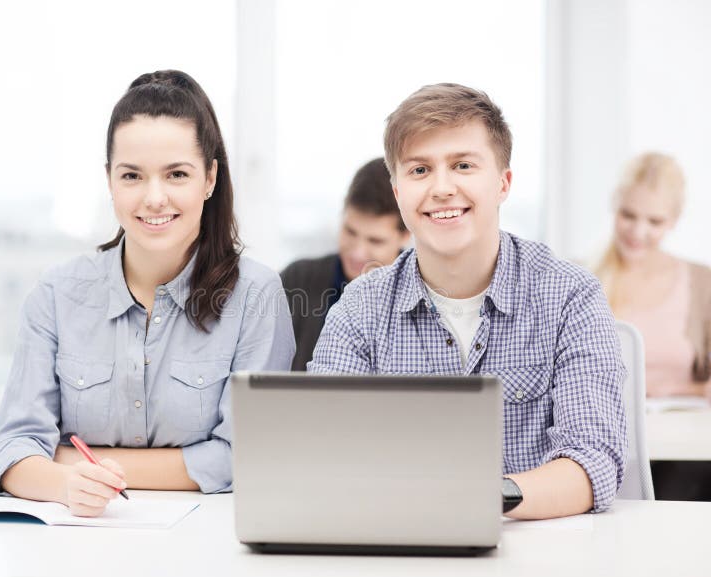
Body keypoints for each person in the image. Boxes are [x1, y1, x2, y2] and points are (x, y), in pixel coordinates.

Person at [309, 83, 627, 520]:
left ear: (503, 183)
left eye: (462, 165)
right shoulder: (359, 308)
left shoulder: (572, 296)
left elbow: (592, 464)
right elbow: (324, 454)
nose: (441, 188)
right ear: (398, 192)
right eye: (419, 170)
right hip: (398, 546)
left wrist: (474, 499)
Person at [0, 70, 295, 516]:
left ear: (209, 179)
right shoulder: (55, 294)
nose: (154, 198)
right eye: (132, 175)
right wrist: (66, 484)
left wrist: (70, 461)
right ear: (109, 179)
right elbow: (11, 451)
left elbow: (244, 458)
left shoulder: (258, 295)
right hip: (80, 541)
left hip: (205, 546)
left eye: (176, 174)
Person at [595, 152, 711, 398]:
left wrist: (685, 390)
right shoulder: (580, 278)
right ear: (614, 206)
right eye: (628, 215)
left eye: (655, 222)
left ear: (673, 221)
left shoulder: (702, 283)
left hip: (685, 430)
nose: (638, 232)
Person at [280, 158, 410, 370]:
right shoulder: (297, 280)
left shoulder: (421, 295)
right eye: (350, 231)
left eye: (375, 240)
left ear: (406, 234)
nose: (357, 253)